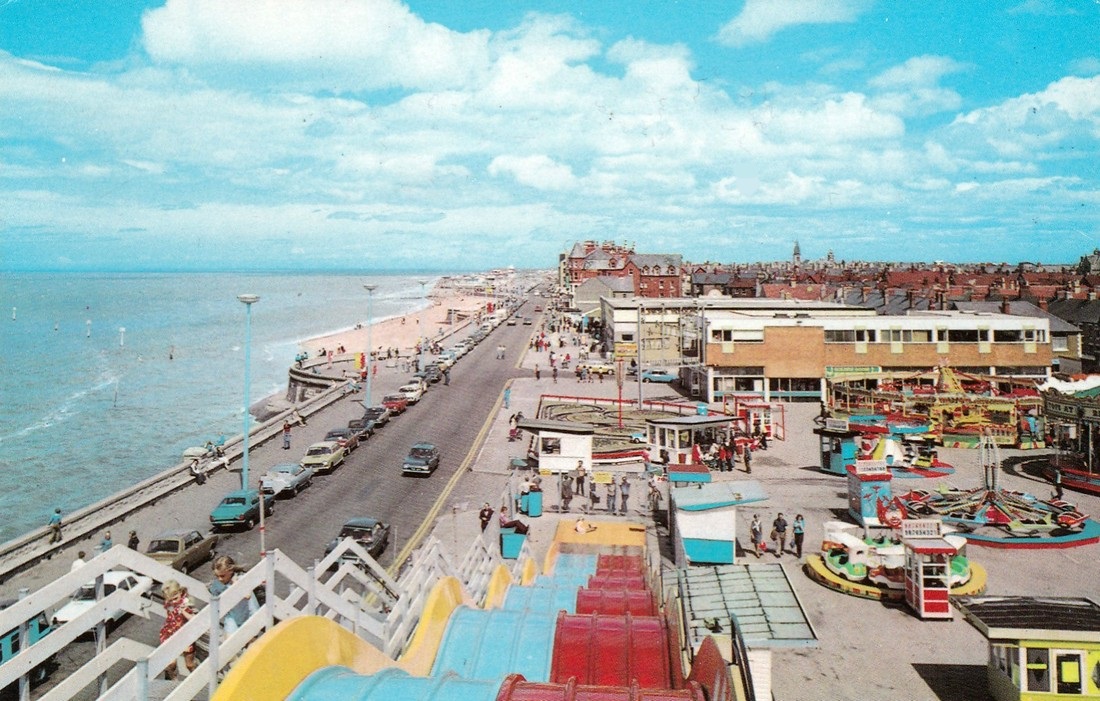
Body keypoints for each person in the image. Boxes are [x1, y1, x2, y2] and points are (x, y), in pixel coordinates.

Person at [209, 555, 258, 634]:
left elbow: (247, 596)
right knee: (229, 640)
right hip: (232, 615)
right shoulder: (217, 584)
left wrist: (235, 584)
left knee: (250, 639)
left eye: (222, 576)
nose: (220, 579)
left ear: (231, 571)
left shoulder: (240, 578)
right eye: (217, 576)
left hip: (248, 613)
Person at [160, 580, 198, 679]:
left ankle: (198, 679)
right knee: (171, 664)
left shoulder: (186, 604)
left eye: (175, 598)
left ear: (180, 593)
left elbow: (194, 619)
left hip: (185, 635)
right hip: (171, 633)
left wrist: (183, 611)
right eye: (170, 600)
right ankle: (172, 679)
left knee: (189, 664)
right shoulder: (171, 604)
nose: (173, 602)